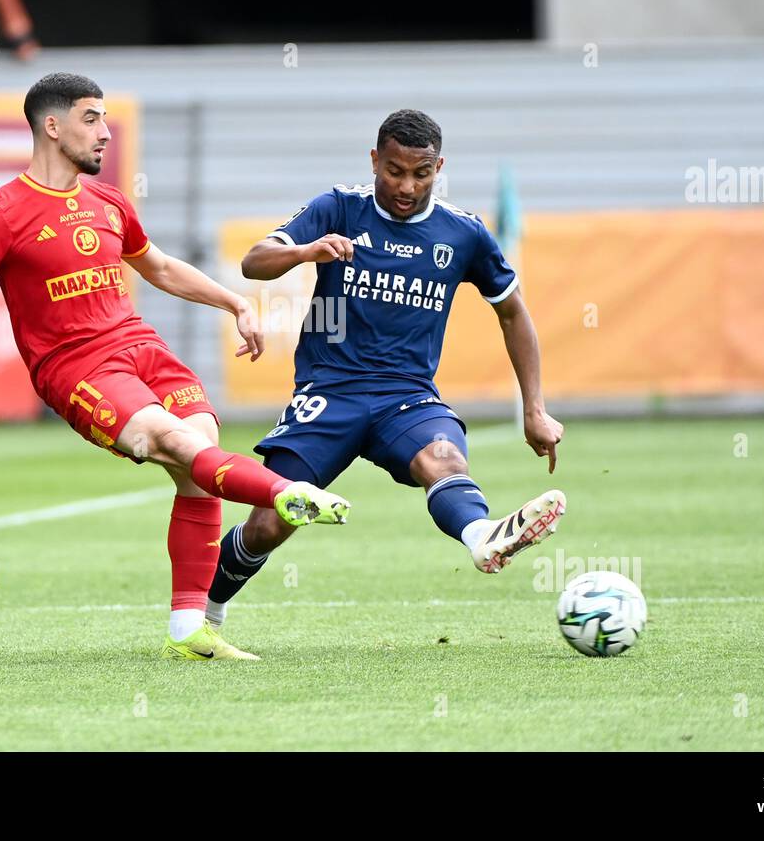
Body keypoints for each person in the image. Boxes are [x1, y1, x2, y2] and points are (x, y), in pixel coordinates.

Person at [0, 72, 350, 661]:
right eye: (92, 119)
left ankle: (190, 629)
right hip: (76, 369)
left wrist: (236, 301)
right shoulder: (0, 214)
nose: (105, 133)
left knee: (199, 457)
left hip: (142, 348)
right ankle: (288, 493)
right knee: (173, 441)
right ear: (52, 125)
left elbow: (161, 269)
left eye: (106, 120)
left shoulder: (109, 202)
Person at [205, 109, 566, 642]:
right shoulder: (340, 209)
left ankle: (482, 535)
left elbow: (512, 311)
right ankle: (206, 611)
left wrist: (534, 409)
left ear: (439, 167)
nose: (406, 186)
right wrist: (307, 251)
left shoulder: (462, 233)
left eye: (421, 174)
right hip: (330, 391)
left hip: (408, 398)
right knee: (271, 521)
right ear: (375, 160)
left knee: (443, 459)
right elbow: (254, 262)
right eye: (395, 170)